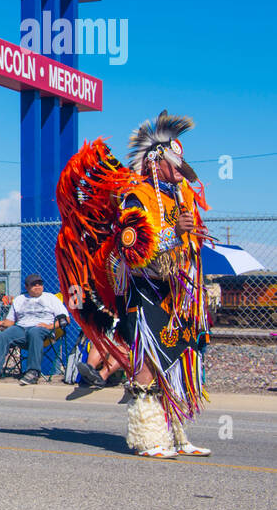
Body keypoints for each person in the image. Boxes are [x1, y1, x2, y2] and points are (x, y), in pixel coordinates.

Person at [57, 111, 213, 458]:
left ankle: (176, 435)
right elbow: (134, 250)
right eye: (173, 163)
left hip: (177, 294)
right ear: (156, 162)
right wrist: (177, 234)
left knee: (178, 361)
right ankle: (146, 437)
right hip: (144, 294)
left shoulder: (182, 195)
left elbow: (191, 246)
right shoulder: (137, 196)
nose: (179, 169)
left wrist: (191, 236)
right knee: (148, 364)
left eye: (181, 164)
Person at [0, 274, 68, 385]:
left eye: (40, 284)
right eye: (34, 284)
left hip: (43, 329)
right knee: (4, 336)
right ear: (27, 286)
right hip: (21, 328)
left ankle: (33, 372)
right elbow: (10, 322)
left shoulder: (50, 298)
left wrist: (49, 326)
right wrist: (1, 323)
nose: (38, 286)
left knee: (35, 332)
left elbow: (65, 319)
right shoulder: (20, 299)